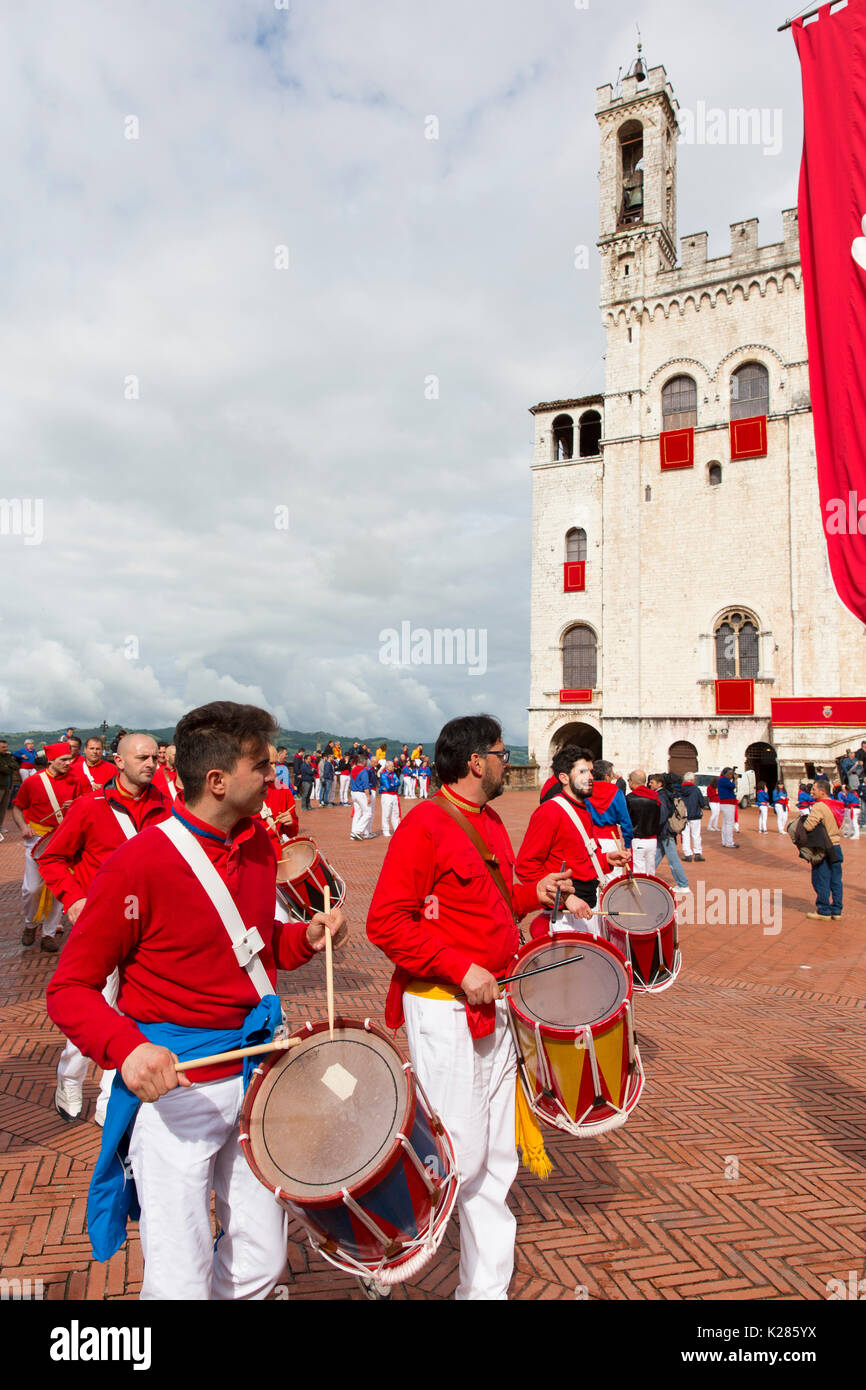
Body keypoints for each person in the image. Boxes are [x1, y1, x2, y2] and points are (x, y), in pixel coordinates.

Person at [46, 701, 347, 1300]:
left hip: (257, 1071)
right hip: (176, 1085)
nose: (273, 776)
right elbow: (69, 988)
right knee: (179, 1278)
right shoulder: (140, 863)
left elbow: (257, 950)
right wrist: (127, 1051)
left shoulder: (259, 845)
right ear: (217, 781)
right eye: (261, 766)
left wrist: (304, 939)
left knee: (262, 1260)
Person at [366, 714, 571, 1300]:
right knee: (452, 1147)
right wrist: (459, 966)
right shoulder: (424, 824)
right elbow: (386, 921)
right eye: (504, 753)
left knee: (496, 1157)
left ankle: (484, 1291)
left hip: (497, 1004)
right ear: (476, 761)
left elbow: (496, 901)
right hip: (447, 1009)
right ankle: (390, 1249)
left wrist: (539, 893)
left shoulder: (492, 821)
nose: (513, 762)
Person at [38, 735, 169, 1123]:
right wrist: (75, 899)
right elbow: (53, 859)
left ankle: (110, 1099)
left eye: (154, 758)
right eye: (141, 757)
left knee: (134, 1016)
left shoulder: (165, 806)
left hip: (151, 930)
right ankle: (71, 1079)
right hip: (104, 928)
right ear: (119, 761)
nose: (150, 763)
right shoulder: (89, 807)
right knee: (94, 1009)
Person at [517, 745, 629, 936]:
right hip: (564, 916)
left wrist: (606, 859)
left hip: (587, 907)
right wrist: (565, 898)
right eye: (583, 771)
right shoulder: (550, 812)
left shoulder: (584, 809)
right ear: (564, 778)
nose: (591, 777)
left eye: (591, 771)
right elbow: (525, 866)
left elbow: (580, 861)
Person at [11, 741, 80, 951]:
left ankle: (49, 934)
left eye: (70, 759)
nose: (69, 763)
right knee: (31, 889)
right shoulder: (32, 782)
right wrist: (23, 826)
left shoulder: (75, 781)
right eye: (64, 760)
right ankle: (31, 923)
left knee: (58, 890)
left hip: (63, 840)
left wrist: (77, 804)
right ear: (51, 761)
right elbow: (17, 808)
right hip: (38, 841)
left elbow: (87, 807)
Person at [802, 777, 844, 921]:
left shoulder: (819, 806)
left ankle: (824, 910)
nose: (811, 792)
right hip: (836, 845)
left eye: (814, 789)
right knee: (836, 879)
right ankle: (837, 910)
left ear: (822, 791)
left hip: (823, 847)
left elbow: (808, 825)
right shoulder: (839, 805)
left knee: (821, 878)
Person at [586, 760, 633, 878]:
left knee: (593, 878)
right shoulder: (616, 792)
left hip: (590, 838)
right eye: (611, 774)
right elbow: (625, 820)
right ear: (606, 776)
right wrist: (627, 843)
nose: (613, 776)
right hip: (611, 838)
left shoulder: (585, 790)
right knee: (612, 880)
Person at [648, 774, 690, 893]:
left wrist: (654, 826)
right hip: (665, 832)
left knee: (673, 860)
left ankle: (683, 884)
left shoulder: (662, 796)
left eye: (652, 782)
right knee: (655, 857)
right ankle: (646, 877)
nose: (650, 784)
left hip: (665, 832)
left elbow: (662, 815)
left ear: (660, 784)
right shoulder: (667, 794)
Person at [625, 769, 661, 875]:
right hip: (652, 840)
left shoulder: (630, 798)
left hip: (637, 839)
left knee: (637, 872)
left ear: (632, 781)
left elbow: (626, 821)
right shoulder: (655, 797)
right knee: (650, 872)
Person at [679, 773, 706, 860]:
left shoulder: (680, 789)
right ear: (692, 780)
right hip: (695, 814)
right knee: (696, 834)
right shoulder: (696, 789)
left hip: (684, 815)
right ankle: (697, 853)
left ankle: (688, 854)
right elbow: (702, 802)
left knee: (685, 834)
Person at [0, 737, 21, 840]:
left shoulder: (8, 756)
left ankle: (0, 827)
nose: (5, 749)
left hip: (8, 786)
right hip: (0, 786)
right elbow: (4, 769)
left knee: (3, 809)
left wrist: (8, 766)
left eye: (6, 747)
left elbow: (16, 766)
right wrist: (9, 767)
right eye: (3, 747)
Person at [349, 755, 374, 839]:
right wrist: (368, 797)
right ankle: (357, 831)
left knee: (357, 813)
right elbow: (365, 785)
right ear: (364, 762)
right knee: (368, 813)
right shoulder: (363, 771)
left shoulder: (353, 770)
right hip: (360, 793)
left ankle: (353, 833)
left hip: (353, 792)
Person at [717, 767, 739, 848]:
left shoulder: (721, 779)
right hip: (728, 803)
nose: (731, 775)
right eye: (730, 774)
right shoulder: (723, 780)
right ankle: (729, 842)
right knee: (729, 823)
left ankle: (725, 841)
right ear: (725, 774)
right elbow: (733, 786)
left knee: (725, 823)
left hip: (725, 803)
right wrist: (735, 779)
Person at [378, 761, 401, 838]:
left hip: (393, 795)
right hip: (387, 795)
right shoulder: (384, 775)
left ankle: (397, 829)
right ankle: (385, 830)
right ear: (387, 767)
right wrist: (394, 784)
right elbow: (388, 786)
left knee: (395, 813)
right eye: (392, 766)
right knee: (386, 813)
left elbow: (399, 782)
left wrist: (393, 784)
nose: (393, 767)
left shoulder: (393, 774)